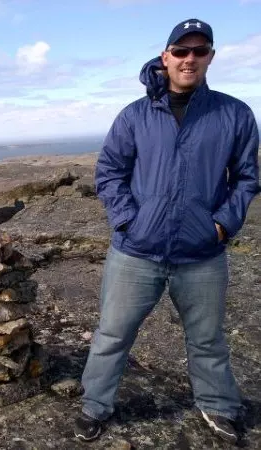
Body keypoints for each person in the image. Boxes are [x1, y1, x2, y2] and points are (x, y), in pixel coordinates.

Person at [74, 18, 260, 444]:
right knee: (113, 333)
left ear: (211, 56)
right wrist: (128, 222)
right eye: (181, 51)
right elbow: (109, 173)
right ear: (166, 57)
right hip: (136, 252)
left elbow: (247, 178)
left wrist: (221, 225)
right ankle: (94, 405)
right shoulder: (136, 115)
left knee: (208, 338)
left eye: (200, 50)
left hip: (202, 255)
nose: (189, 58)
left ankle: (218, 405)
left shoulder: (234, 113)